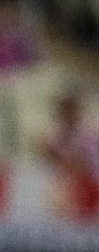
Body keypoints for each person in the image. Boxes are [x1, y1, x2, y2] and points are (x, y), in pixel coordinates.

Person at [36, 90, 99, 219]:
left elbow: (85, 164)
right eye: (65, 111)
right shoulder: (54, 135)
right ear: (60, 113)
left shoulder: (88, 134)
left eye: (72, 111)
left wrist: (61, 156)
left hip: (87, 184)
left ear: (77, 112)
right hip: (63, 186)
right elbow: (48, 160)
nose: (69, 115)